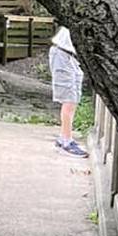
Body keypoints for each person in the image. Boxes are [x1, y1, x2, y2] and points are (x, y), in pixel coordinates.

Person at [50, 25, 86, 155]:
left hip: (72, 57)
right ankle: (66, 141)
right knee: (69, 99)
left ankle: (64, 136)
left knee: (74, 97)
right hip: (63, 53)